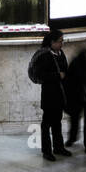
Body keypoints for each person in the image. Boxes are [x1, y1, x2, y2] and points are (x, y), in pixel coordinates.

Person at [33, 30, 70, 161]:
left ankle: (58, 147)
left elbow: (65, 69)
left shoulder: (60, 53)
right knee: (46, 124)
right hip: (49, 95)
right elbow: (40, 74)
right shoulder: (44, 55)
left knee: (57, 122)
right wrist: (57, 75)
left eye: (62, 41)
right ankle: (46, 151)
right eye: (60, 41)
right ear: (52, 42)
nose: (62, 44)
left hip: (60, 94)